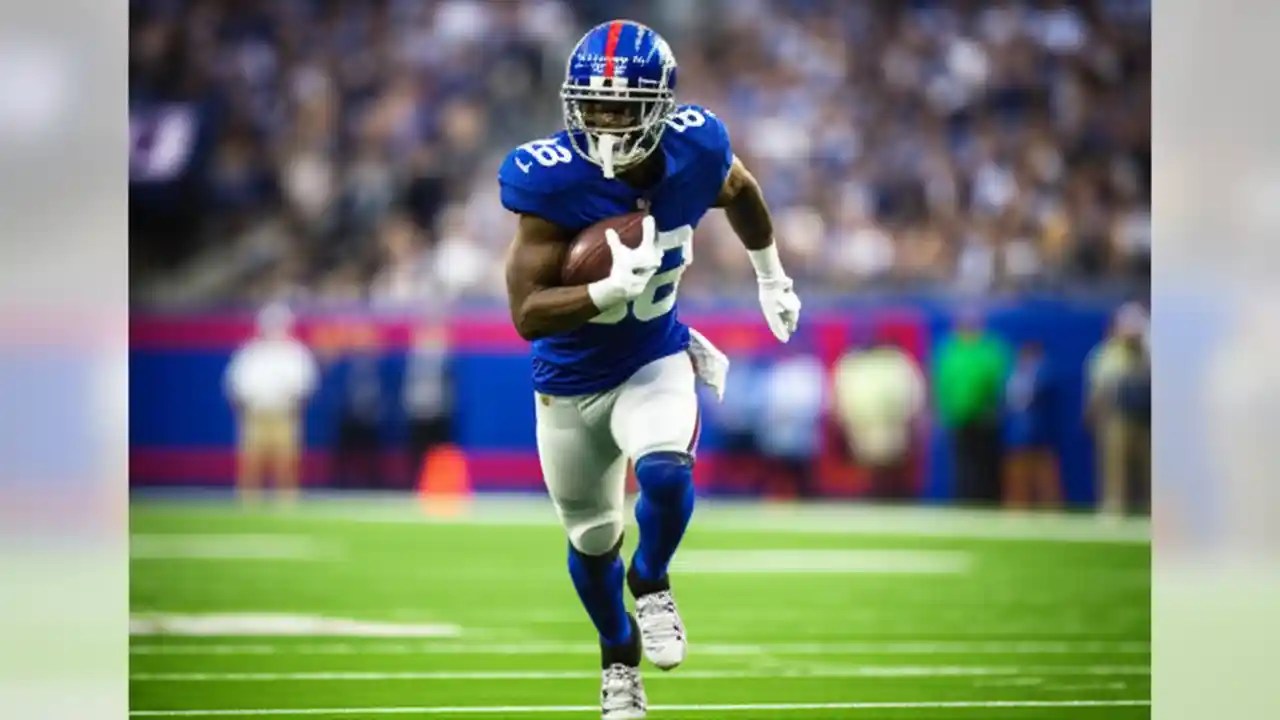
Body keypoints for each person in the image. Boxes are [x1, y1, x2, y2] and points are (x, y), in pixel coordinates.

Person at [498, 20, 802, 719]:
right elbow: (526, 313)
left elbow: (742, 189)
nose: (604, 119)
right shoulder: (549, 181)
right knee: (591, 540)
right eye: (592, 103)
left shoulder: (696, 147)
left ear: (660, 103)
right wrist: (605, 290)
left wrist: (770, 276)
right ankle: (618, 659)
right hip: (568, 386)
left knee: (666, 470)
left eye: (621, 104)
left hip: (653, 359)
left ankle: (655, 578)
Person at [223, 303, 318, 504]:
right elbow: (234, 383)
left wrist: (293, 402)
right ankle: (248, 500)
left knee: (286, 460)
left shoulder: (295, 352)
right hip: (255, 414)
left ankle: (287, 500)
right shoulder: (250, 352)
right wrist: (245, 405)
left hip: (284, 414)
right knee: (252, 460)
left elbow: (306, 384)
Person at [832, 333, 927, 499]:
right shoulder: (893, 364)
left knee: (888, 474)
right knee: (878, 474)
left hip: (886, 430)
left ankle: (888, 501)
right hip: (872, 430)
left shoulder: (896, 364)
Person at [932, 312, 1012, 503]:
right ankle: (964, 499)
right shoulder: (950, 349)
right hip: (959, 416)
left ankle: (987, 500)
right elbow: (941, 382)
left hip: (985, 416)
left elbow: (1001, 380)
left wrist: (993, 406)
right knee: (963, 464)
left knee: (986, 464)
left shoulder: (990, 348)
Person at [1086, 303, 1151, 516]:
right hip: (1118, 418)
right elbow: (1098, 388)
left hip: (1148, 419)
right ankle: (1114, 509)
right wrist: (1093, 415)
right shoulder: (1107, 353)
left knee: (1150, 470)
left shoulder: (1149, 351)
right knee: (1115, 469)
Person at [1002, 340, 1062, 509]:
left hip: (1041, 438)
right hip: (1017, 438)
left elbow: (1043, 393)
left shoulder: (1043, 376)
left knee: (1045, 481)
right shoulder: (1013, 377)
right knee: (1017, 480)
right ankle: (1017, 510)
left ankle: (1050, 512)